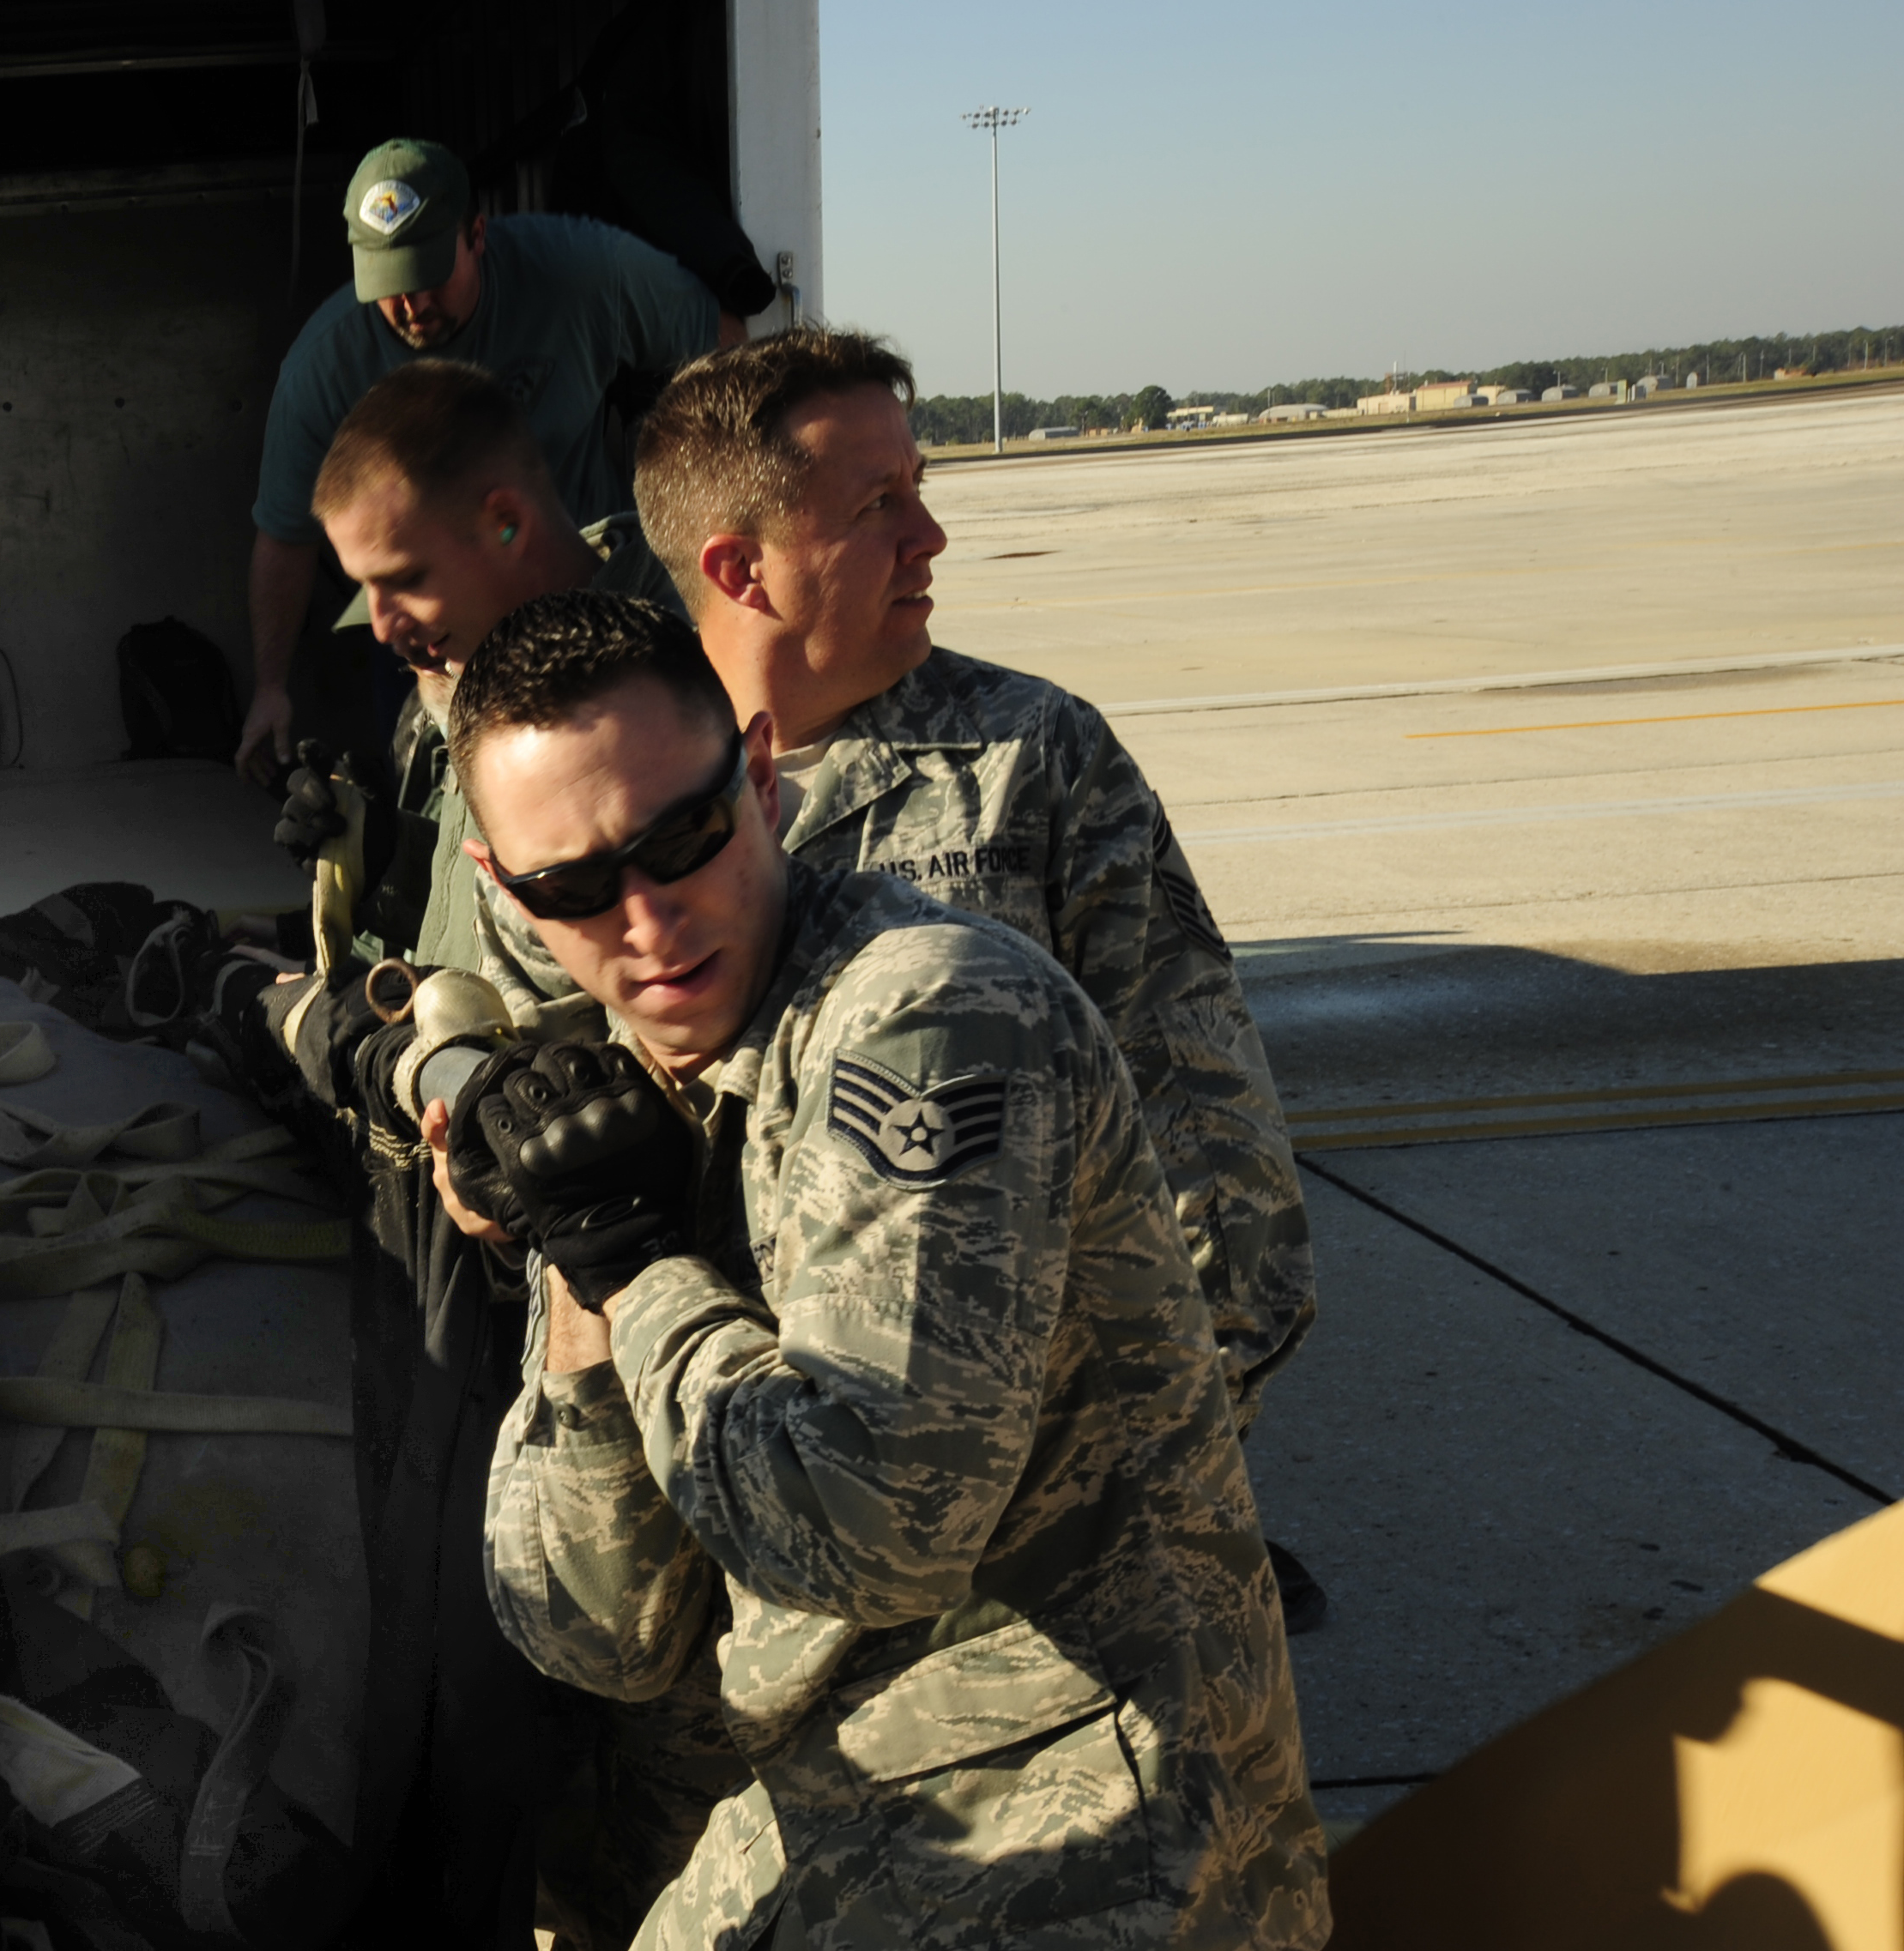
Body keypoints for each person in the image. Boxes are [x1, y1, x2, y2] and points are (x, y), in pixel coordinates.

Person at [432, 591, 1334, 1951]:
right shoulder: (640, 1087)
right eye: (572, 890)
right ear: (495, 886)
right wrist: (585, 1307)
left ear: (758, 778)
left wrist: (637, 1263)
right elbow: (586, 1627)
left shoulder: (927, 1022)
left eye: (682, 838)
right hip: (831, 1830)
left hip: (1076, 1892)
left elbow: (870, 1527)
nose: (645, 917)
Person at [589, 329, 1321, 1596]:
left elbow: (1217, 1173)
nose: (930, 538)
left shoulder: (1033, 763)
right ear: (737, 568)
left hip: (1027, 1556)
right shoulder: (587, 797)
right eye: (879, 507)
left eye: (919, 491)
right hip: (707, 1519)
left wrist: (1131, 1481)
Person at [239, 136, 738, 784]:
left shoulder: (583, 275)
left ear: (478, 235)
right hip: (434, 642)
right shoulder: (323, 368)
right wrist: (271, 686)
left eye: (427, 275)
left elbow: (725, 349)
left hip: (590, 595)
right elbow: (285, 536)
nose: (411, 306)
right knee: (437, 794)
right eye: (388, 286)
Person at [278, 359, 681, 976]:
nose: (383, 627)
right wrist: (385, 857)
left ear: (506, 524)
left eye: (407, 579)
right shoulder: (456, 669)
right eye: (366, 590)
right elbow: (484, 928)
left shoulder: (675, 680)